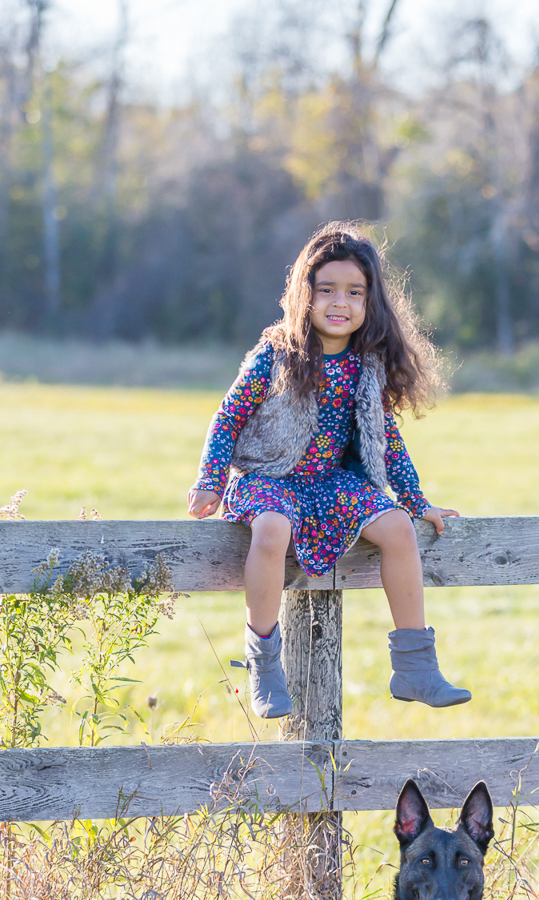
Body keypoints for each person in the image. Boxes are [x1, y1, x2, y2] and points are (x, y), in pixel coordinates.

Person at [187, 222, 471, 719]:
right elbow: (228, 415)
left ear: (370, 301)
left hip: (328, 484)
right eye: (327, 290)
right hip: (268, 479)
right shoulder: (276, 355)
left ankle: (414, 666)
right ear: (305, 294)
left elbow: (388, 438)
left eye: (354, 292)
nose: (340, 302)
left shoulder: (369, 364)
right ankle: (264, 663)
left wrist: (414, 499)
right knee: (272, 530)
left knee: (400, 529)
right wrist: (210, 481)